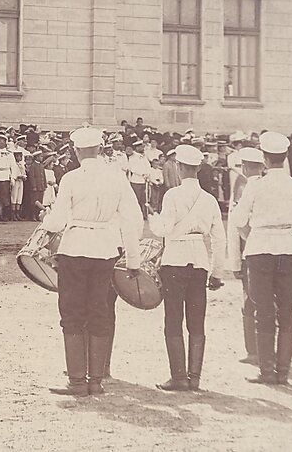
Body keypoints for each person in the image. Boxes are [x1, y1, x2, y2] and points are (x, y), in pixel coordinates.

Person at [42, 125, 145, 397]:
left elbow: (57, 220)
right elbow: (133, 220)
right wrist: (133, 260)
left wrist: (46, 219)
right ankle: (96, 380)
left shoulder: (71, 178)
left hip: (75, 248)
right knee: (99, 310)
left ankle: (77, 381)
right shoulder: (117, 178)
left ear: (76, 151)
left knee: (72, 312)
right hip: (105, 249)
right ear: (100, 149)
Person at [229, 131, 292, 385]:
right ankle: (283, 372)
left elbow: (238, 220)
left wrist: (252, 234)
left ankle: (266, 371)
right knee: (286, 309)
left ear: (264, 158)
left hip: (260, 247)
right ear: (285, 157)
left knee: (263, 309)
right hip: (287, 245)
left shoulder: (255, 185)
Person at [149, 144, 227, 391]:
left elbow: (163, 230)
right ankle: (194, 377)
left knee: (173, 318)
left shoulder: (172, 195)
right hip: (200, 260)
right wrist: (217, 272)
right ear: (199, 167)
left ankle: (179, 377)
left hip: (175, 259)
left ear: (179, 167)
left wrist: (152, 217)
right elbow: (219, 238)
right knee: (197, 320)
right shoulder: (210, 199)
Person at [229, 147, 264, 364]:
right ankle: (267, 350)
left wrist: (234, 261)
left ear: (244, 166)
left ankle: (254, 351)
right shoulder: (273, 185)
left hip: (250, 250)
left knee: (250, 302)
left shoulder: (243, 185)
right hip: (275, 249)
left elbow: (236, 226)